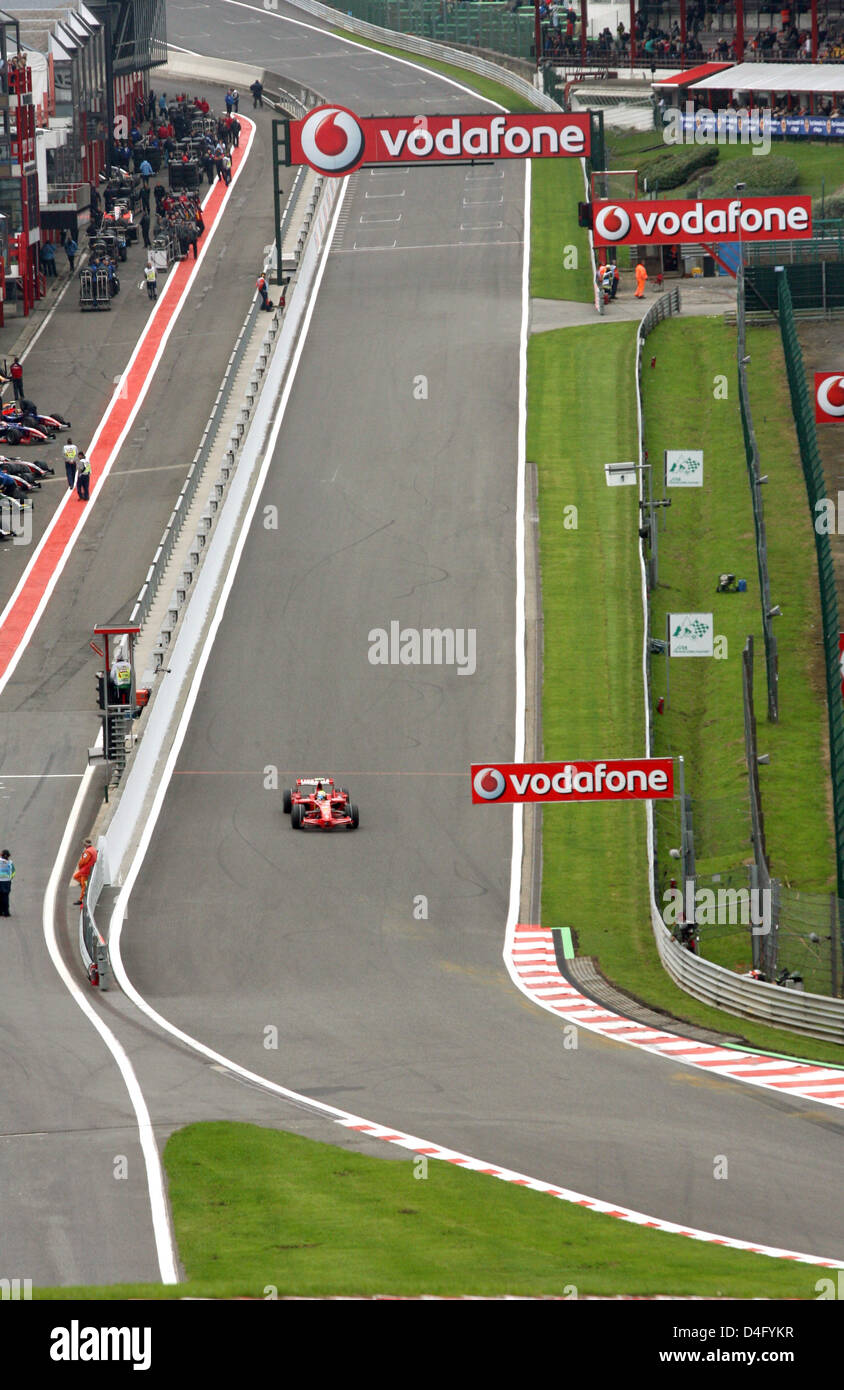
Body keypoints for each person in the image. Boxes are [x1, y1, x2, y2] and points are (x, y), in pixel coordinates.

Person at [72, 838, 97, 905]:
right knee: (76, 876)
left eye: (84, 844)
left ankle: (81, 899)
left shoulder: (87, 852)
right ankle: (85, 884)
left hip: (86, 870)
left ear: (86, 844)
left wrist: (80, 864)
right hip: (87, 869)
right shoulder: (93, 849)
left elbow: (84, 861)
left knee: (83, 885)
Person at [0, 849, 14, 916]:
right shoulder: (10, 863)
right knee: (5, 896)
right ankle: (6, 912)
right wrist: (10, 878)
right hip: (7, 882)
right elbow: (13, 872)